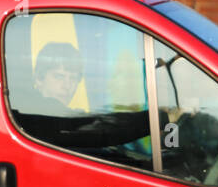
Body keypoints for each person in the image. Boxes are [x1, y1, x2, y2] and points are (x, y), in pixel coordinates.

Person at [19, 42, 183, 150]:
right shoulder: (37, 115)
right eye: (59, 77)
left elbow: (91, 122)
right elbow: (99, 132)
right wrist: (158, 118)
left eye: (73, 78)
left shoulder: (58, 114)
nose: (67, 86)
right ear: (38, 79)